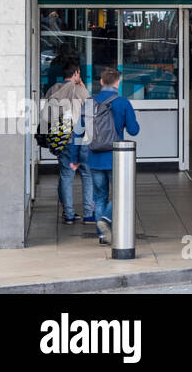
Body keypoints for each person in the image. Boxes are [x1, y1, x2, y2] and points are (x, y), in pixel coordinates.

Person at [89, 68, 140, 246]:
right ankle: (106, 219)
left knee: (99, 196)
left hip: (94, 157)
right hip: (115, 157)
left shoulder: (90, 103)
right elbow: (134, 130)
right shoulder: (123, 103)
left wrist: (73, 158)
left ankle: (102, 235)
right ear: (118, 83)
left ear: (101, 82)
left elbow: (80, 131)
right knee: (119, 193)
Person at [44, 62, 93, 225]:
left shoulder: (54, 89)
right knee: (87, 174)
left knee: (66, 175)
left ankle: (69, 214)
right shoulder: (79, 89)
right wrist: (83, 87)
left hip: (63, 139)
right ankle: (88, 213)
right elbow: (91, 109)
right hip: (82, 139)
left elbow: (47, 113)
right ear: (76, 73)